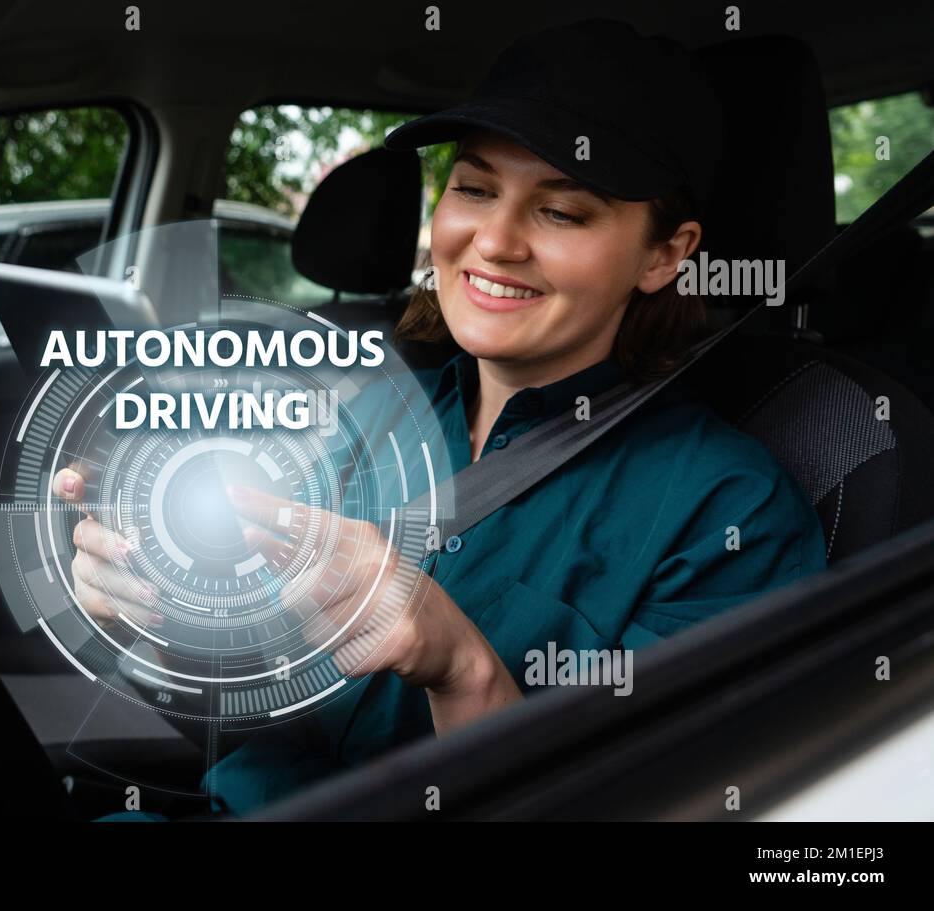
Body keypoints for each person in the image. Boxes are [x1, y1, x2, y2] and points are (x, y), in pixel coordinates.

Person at [53, 18, 828, 817]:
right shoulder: (384, 409)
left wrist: (463, 666)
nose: (494, 240)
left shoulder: (730, 515)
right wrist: (160, 606)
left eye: (562, 211)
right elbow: (254, 705)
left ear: (666, 255)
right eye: (475, 187)